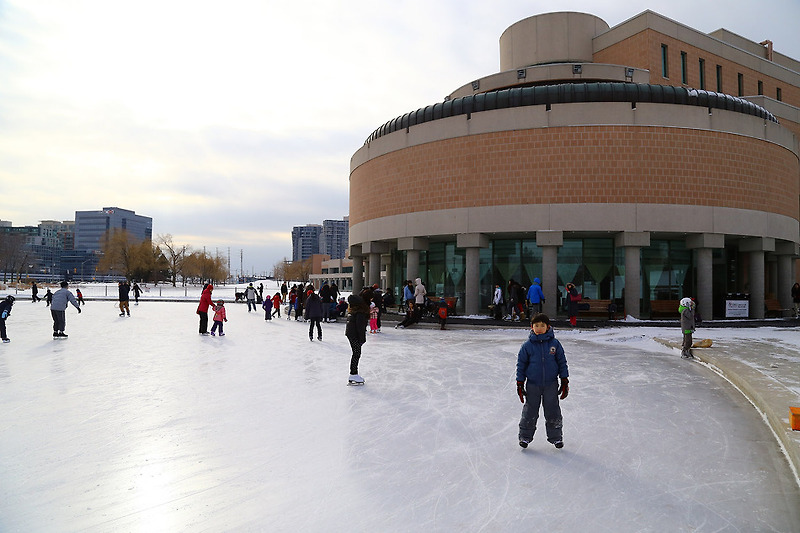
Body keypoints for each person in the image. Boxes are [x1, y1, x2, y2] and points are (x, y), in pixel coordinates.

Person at [516, 313, 569, 449]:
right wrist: (520, 383)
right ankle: (525, 437)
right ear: (532, 327)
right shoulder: (527, 346)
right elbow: (521, 365)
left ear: (548, 327)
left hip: (551, 384)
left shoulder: (555, 344)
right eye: (536, 326)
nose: (539, 328)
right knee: (530, 411)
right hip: (533, 384)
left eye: (542, 326)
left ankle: (556, 437)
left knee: (553, 410)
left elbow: (562, 362)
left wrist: (564, 380)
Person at [345, 292, 370, 385]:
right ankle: (353, 374)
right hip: (354, 335)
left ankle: (353, 373)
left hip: (351, 334)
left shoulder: (352, 312)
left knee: (356, 354)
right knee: (356, 354)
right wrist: (362, 339)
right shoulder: (359, 313)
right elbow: (360, 327)